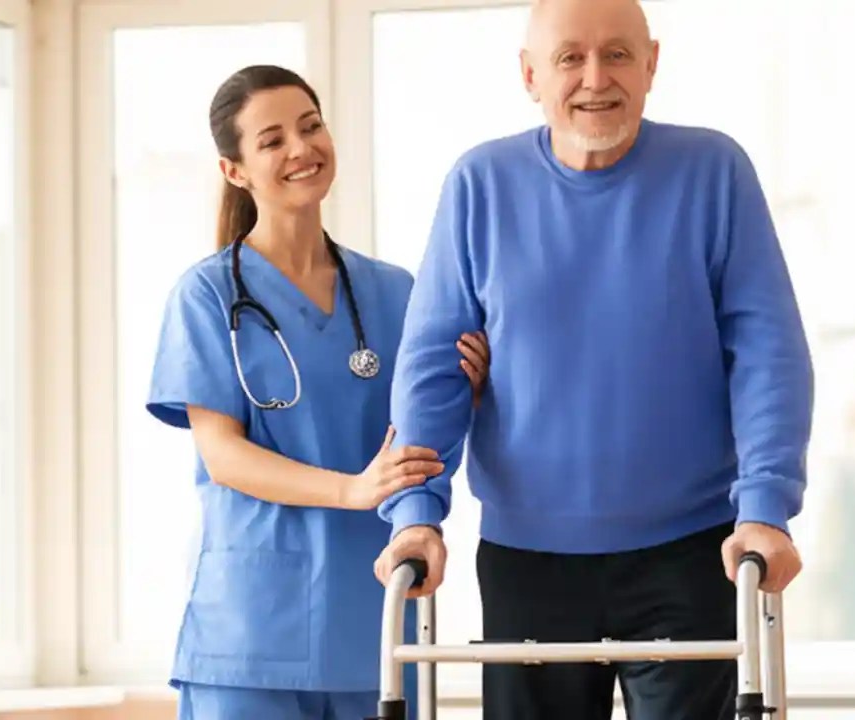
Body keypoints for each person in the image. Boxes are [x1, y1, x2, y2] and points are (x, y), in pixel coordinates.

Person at [371, 0, 815, 718]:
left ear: (652, 64)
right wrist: (417, 514)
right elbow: (433, 363)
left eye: (616, 54)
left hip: (690, 549)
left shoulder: (713, 171)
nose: (594, 77)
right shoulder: (481, 184)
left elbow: (767, 350)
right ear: (529, 74)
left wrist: (766, 506)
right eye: (569, 57)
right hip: (529, 557)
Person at [145, 65, 492, 720]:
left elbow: (416, 441)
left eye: (310, 126)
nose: (301, 149)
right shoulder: (209, 296)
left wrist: (465, 399)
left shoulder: (396, 293)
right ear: (235, 171)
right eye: (272, 140)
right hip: (250, 633)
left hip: (376, 622)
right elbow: (223, 456)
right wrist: (352, 489)